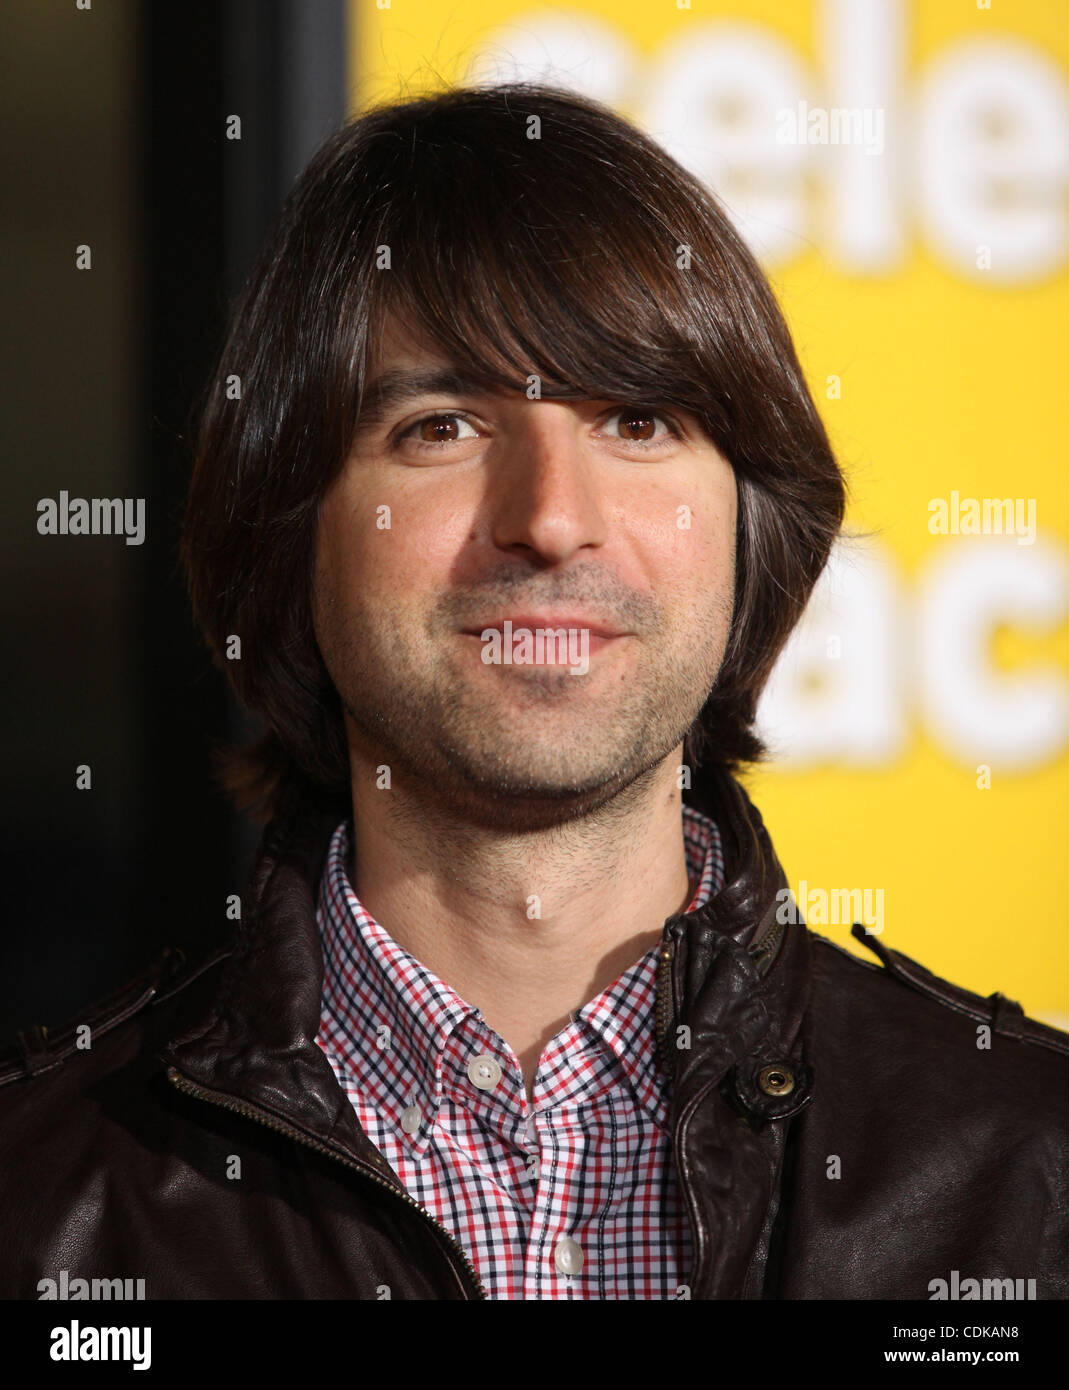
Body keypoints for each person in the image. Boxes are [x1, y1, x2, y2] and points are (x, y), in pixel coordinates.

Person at [2, 81, 1066, 1302]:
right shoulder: (39, 1212)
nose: (553, 520)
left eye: (637, 418)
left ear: (749, 528)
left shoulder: (1032, 1175)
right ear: (287, 532)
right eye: (442, 427)